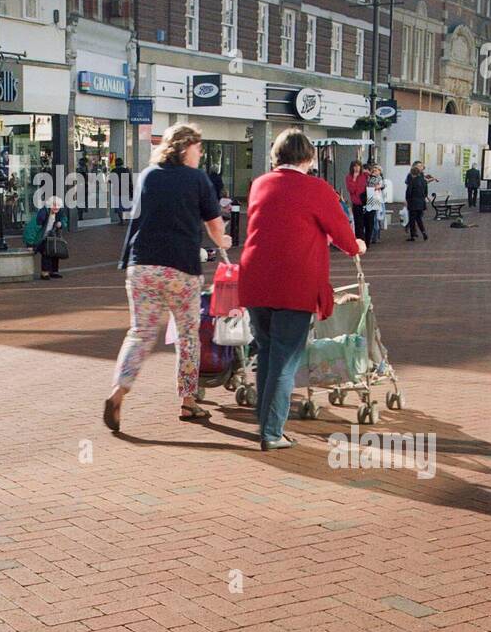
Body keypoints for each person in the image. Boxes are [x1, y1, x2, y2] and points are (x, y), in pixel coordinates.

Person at [240, 130, 365, 450]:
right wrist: (356, 245)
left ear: (276, 155)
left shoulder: (259, 185)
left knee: (267, 351)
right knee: (285, 360)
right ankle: (271, 431)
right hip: (294, 285)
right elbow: (341, 233)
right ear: (309, 158)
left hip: (256, 280)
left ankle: (264, 420)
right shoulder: (317, 188)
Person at [104, 124, 230, 432]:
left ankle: (119, 391)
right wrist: (222, 241)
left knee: (140, 334)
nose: (200, 154)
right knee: (188, 336)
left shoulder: (149, 175)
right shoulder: (198, 179)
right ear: (186, 147)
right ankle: (188, 401)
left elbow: (138, 220)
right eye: (198, 148)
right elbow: (214, 225)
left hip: (142, 266)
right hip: (180, 268)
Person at [33, 196, 66, 280]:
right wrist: (30, 244)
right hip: (41, 238)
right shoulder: (43, 212)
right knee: (46, 252)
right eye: (54, 205)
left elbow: (65, 220)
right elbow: (34, 228)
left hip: (52, 237)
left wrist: (61, 223)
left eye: (58, 205)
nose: (56, 207)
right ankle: (45, 273)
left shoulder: (60, 212)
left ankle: (53, 271)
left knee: (55, 252)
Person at [345, 160, 371, 245]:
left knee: (368, 223)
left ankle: (367, 241)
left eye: (358, 166)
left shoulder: (365, 175)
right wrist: (354, 179)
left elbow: (375, 180)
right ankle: (361, 242)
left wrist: (370, 172)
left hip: (366, 202)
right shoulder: (349, 177)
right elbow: (351, 190)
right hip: (357, 203)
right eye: (354, 166)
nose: (356, 168)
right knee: (359, 224)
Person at [404, 162, 432, 241]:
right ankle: (423, 232)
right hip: (421, 202)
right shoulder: (423, 181)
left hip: (413, 202)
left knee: (412, 219)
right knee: (419, 218)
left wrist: (407, 200)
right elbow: (426, 192)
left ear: (412, 174)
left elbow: (408, 192)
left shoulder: (412, 181)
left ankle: (412, 235)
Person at [364, 165, 388, 243]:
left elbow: (379, 186)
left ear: (380, 172)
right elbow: (368, 185)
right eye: (373, 170)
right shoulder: (370, 178)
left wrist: (375, 185)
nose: (374, 171)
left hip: (377, 200)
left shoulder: (379, 178)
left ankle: (375, 236)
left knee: (376, 218)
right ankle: (372, 236)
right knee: (372, 218)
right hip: (371, 199)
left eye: (376, 170)